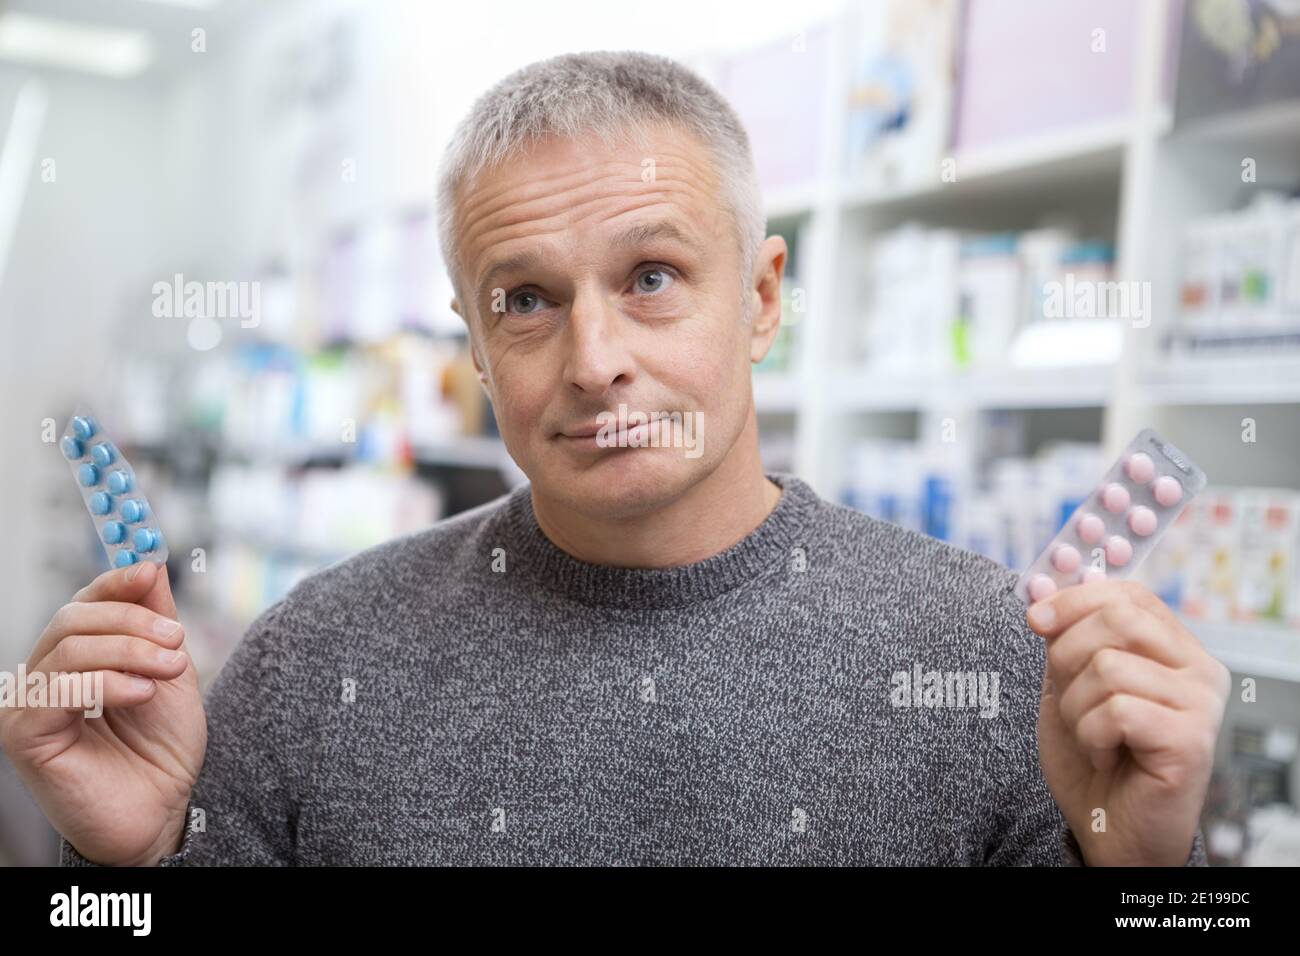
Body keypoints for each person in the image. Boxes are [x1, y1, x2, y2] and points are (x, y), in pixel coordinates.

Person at [1, 51, 1227, 866]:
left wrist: (1151, 881)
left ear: (758, 296)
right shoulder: (309, 663)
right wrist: (118, 870)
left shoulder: (1002, 669)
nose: (593, 360)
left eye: (650, 277)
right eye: (525, 299)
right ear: (474, 345)